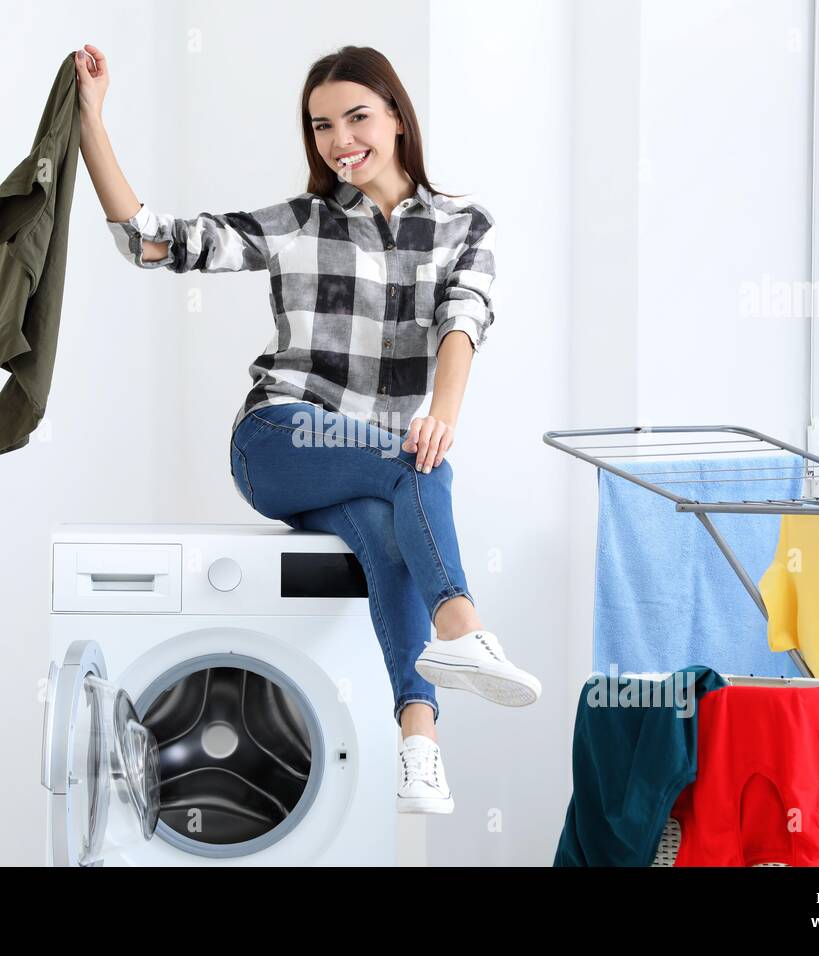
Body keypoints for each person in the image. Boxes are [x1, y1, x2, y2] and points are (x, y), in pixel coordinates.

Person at [76, 42, 541, 815]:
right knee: (414, 467)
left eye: (356, 117)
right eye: (322, 125)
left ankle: (418, 747)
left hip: (370, 463)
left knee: (388, 532)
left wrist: (443, 415)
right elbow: (150, 239)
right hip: (278, 439)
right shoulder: (301, 223)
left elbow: (465, 320)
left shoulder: (464, 225)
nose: (338, 140)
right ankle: (461, 624)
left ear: (396, 116)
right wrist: (93, 119)